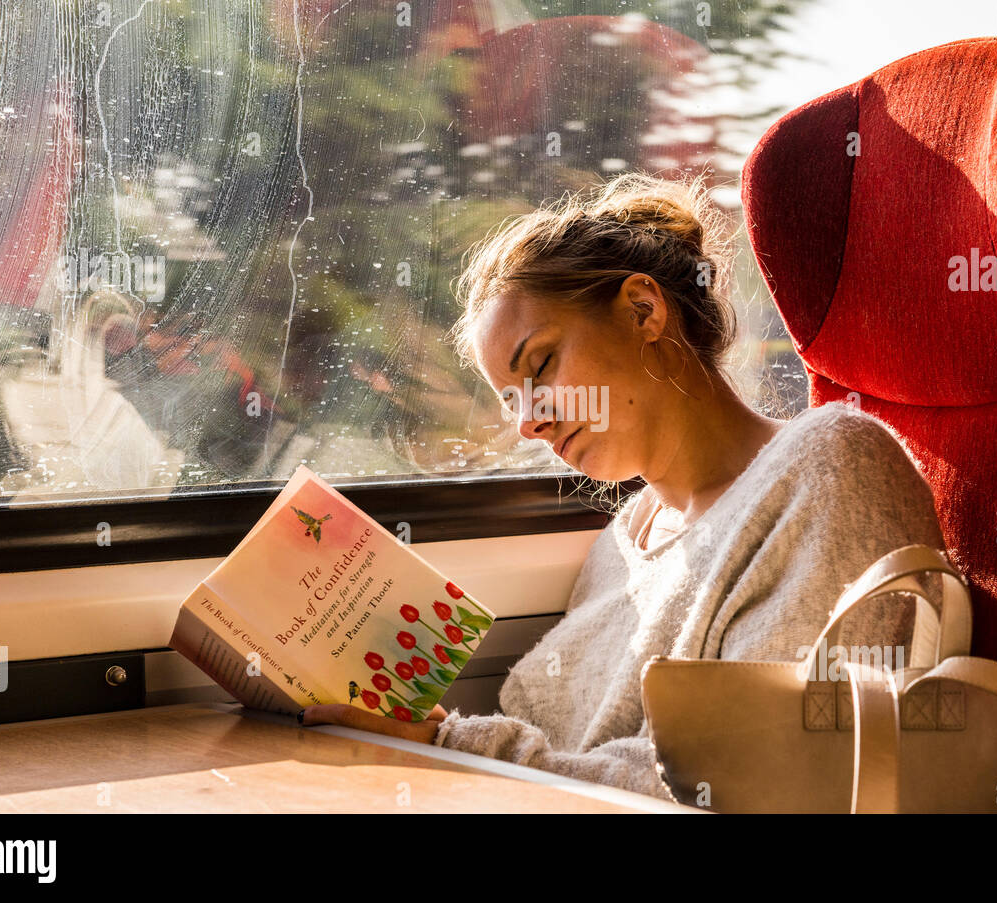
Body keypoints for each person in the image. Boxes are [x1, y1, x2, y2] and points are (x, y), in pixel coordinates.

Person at [299, 172, 946, 803]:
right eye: (510, 399)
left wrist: (454, 744)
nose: (528, 421)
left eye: (542, 364)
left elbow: (768, 777)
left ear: (643, 309)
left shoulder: (831, 464)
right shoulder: (618, 546)